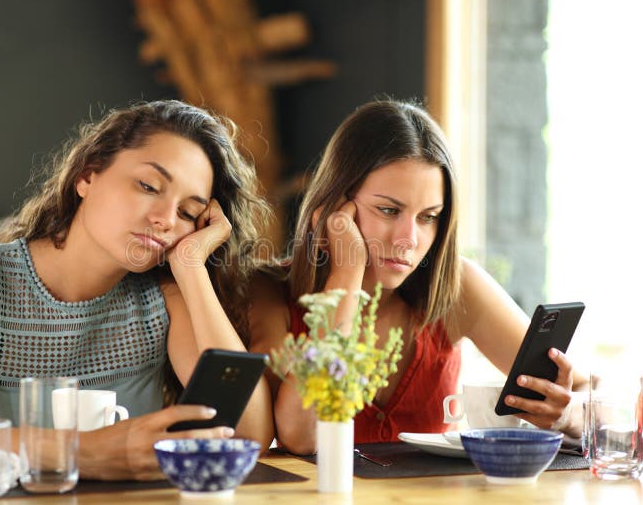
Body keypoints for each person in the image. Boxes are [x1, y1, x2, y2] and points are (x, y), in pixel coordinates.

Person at [0, 100, 274, 478]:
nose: (166, 219)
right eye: (149, 186)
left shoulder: (165, 296)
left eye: (188, 212)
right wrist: (83, 452)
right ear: (88, 175)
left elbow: (247, 434)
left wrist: (190, 269)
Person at [249, 99, 587, 454]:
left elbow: (583, 389)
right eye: (388, 210)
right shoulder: (269, 291)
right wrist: (346, 274)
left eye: (428, 217)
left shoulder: (457, 286)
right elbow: (301, 435)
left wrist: (566, 414)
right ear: (335, 207)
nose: (408, 239)